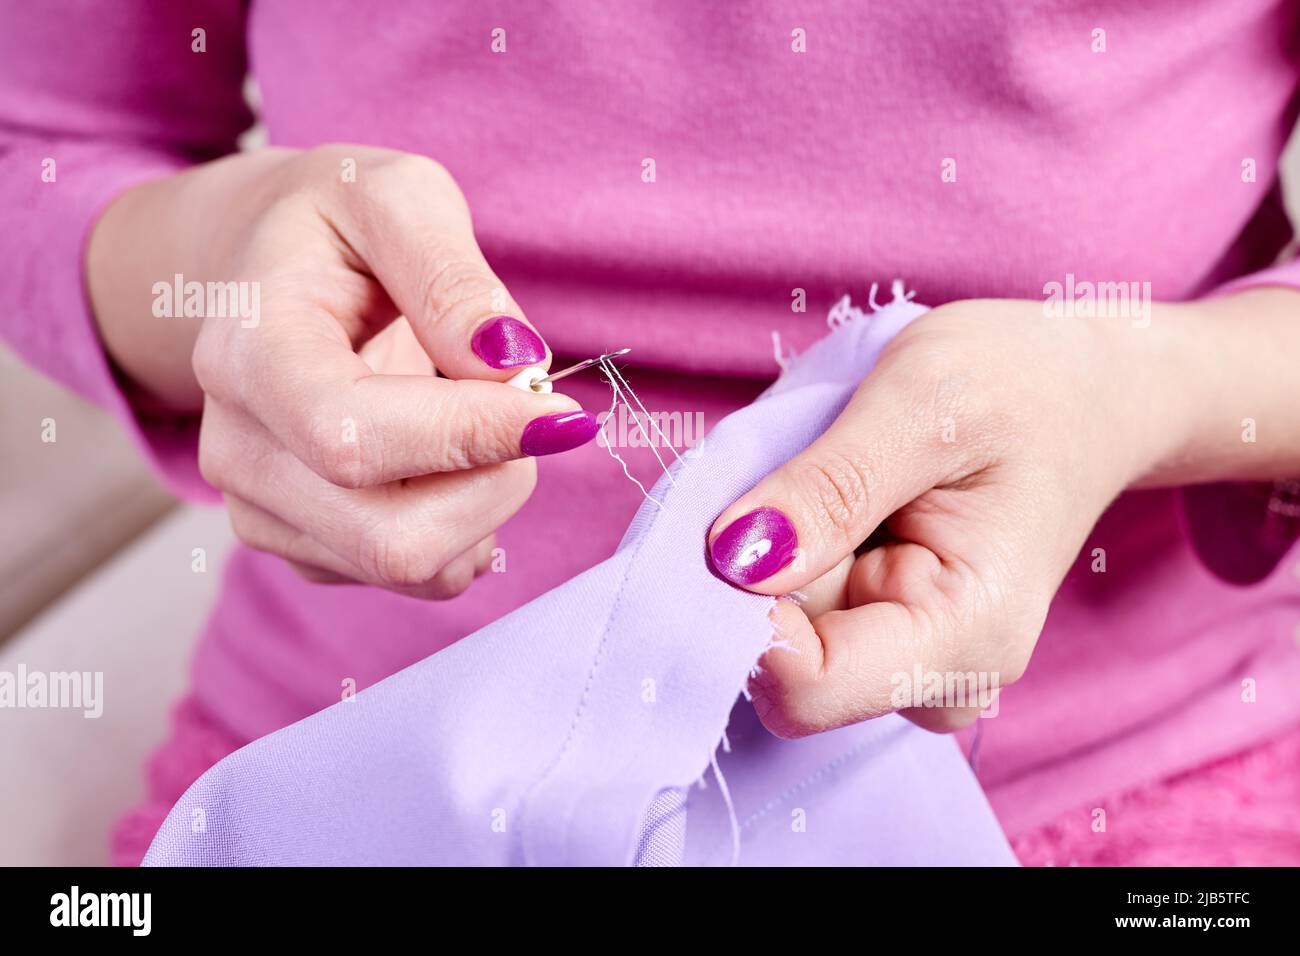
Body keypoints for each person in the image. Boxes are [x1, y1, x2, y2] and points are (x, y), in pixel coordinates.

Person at [3, 2, 1299, 866]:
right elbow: (40, 141)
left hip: (1127, 797)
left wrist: (1141, 391)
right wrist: (218, 281)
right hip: (350, 779)